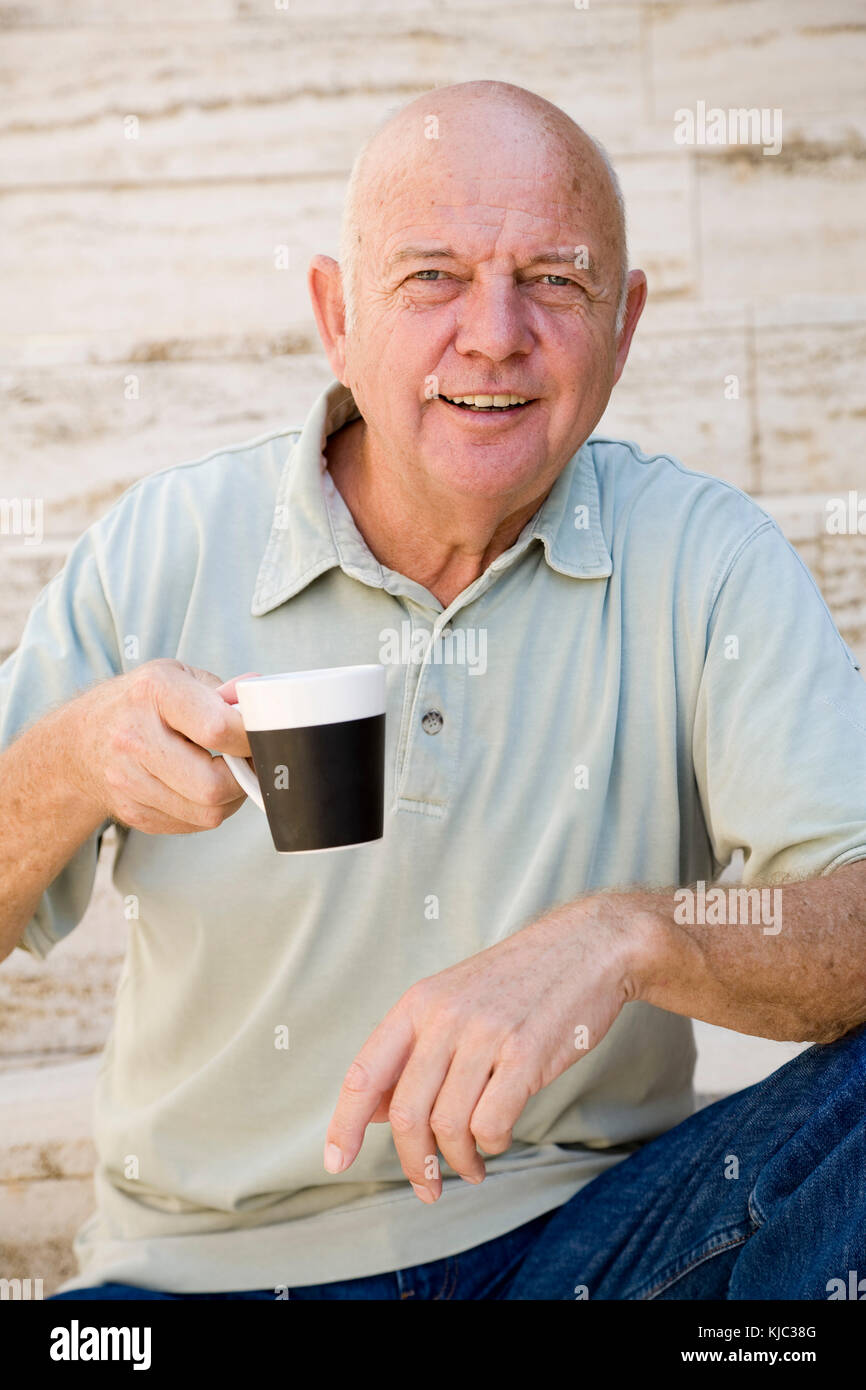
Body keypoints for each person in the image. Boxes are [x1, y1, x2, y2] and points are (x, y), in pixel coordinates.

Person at [2, 81, 865, 1302]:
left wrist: (629, 934)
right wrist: (71, 759)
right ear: (334, 314)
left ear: (621, 329)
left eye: (552, 281)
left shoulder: (702, 557)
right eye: (432, 278)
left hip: (599, 1252)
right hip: (199, 1279)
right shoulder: (169, 545)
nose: (494, 333)